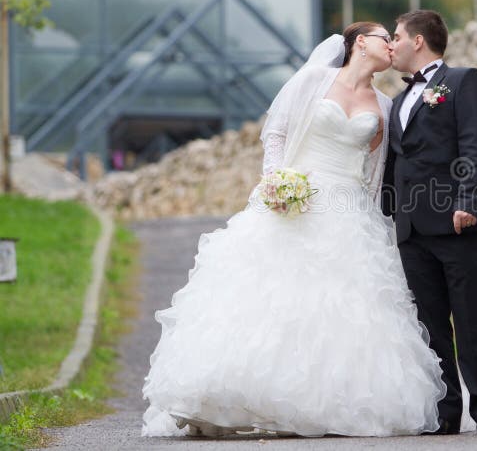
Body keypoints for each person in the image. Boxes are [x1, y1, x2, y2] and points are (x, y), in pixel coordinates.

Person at [141, 22, 447, 438]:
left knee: (342, 308)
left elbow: (375, 171)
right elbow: (277, 133)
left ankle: (331, 405)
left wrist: (373, 220)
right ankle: (236, 398)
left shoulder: (383, 104)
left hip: (348, 209)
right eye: (384, 38)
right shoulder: (312, 80)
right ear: (360, 42)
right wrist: (275, 182)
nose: (392, 46)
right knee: (271, 300)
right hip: (295, 198)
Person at [383, 10, 477, 435]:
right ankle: (446, 410)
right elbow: (396, 162)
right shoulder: (398, 101)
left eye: (396, 36)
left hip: (458, 221)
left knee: (472, 316)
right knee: (430, 324)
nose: (391, 44)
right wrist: (388, 213)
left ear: (418, 41)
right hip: (412, 229)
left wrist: (469, 199)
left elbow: (475, 143)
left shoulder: (463, 81)